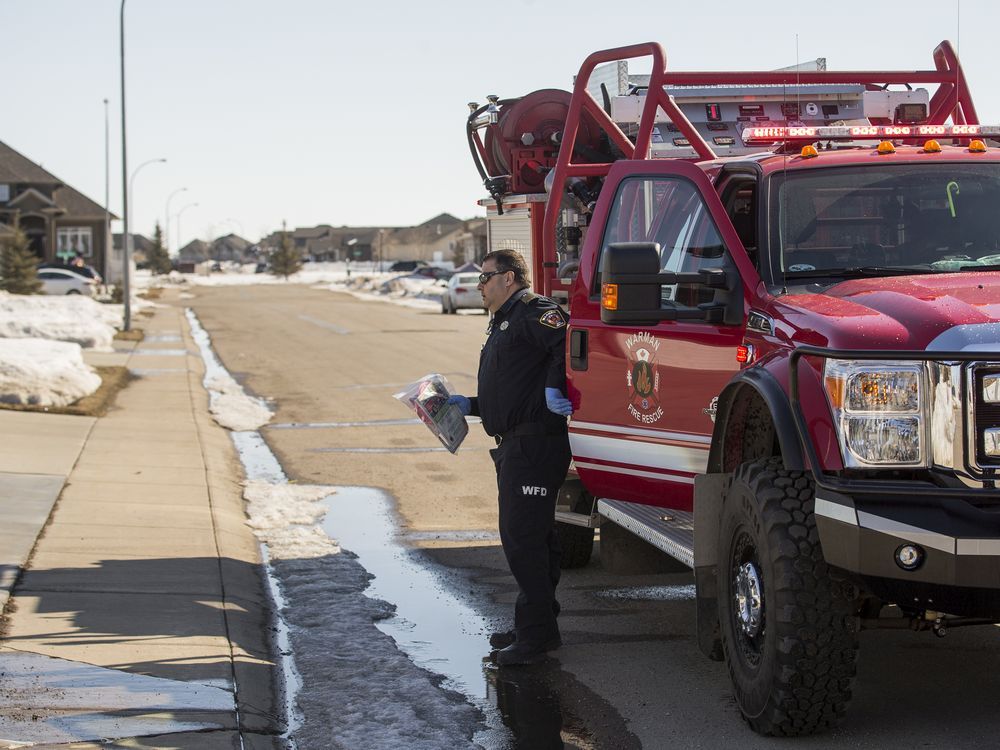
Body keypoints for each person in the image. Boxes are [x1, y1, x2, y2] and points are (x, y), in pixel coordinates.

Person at [447, 248, 573, 666]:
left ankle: (536, 636)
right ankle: (537, 623)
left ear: (509, 278)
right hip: (515, 443)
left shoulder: (535, 311)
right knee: (534, 537)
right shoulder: (505, 320)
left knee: (523, 539)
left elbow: (564, 343)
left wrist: (555, 386)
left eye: (485, 278)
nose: (479, 286)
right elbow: (512, 388)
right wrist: (471, 404)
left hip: (535, 444)